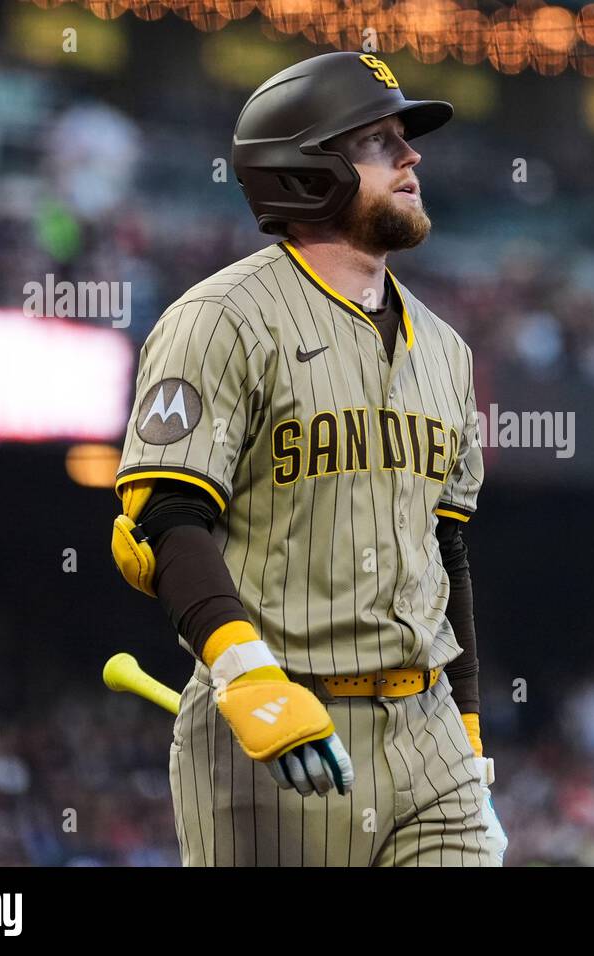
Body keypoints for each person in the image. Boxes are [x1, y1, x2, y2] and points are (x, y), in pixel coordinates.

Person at [110, 51, 505, 866]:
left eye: (406, 138)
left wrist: (465, 731)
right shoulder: (219, 320)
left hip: (427, 734)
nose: (411, 157)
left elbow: (447, 552)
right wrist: (247, 678)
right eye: (378, 141)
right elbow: (169, 516)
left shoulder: (448, 352)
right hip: (275, 732)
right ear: (306, 169)